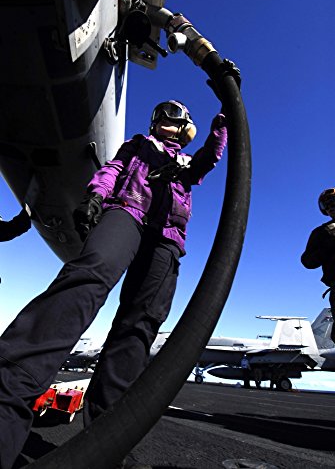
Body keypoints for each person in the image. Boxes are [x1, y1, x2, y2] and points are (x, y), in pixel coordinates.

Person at [0, 99, 229, 469]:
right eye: (158, 116)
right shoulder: (138, 145)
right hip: (127, 210)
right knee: (90, 273)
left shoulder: (184, 163)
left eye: (173, 117)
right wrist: (95, 196)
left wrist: (223, 124)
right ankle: (11, 379)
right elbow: (113, 171)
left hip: (167, 235)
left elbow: (207, 161)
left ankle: (109, 432)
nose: (163, 121)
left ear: (185, 126)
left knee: (142, 321)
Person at [301, 188, 335, 343]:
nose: (331, 206)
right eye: (327, 204)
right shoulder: (322, 233)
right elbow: (307, 262)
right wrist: (328, 245)